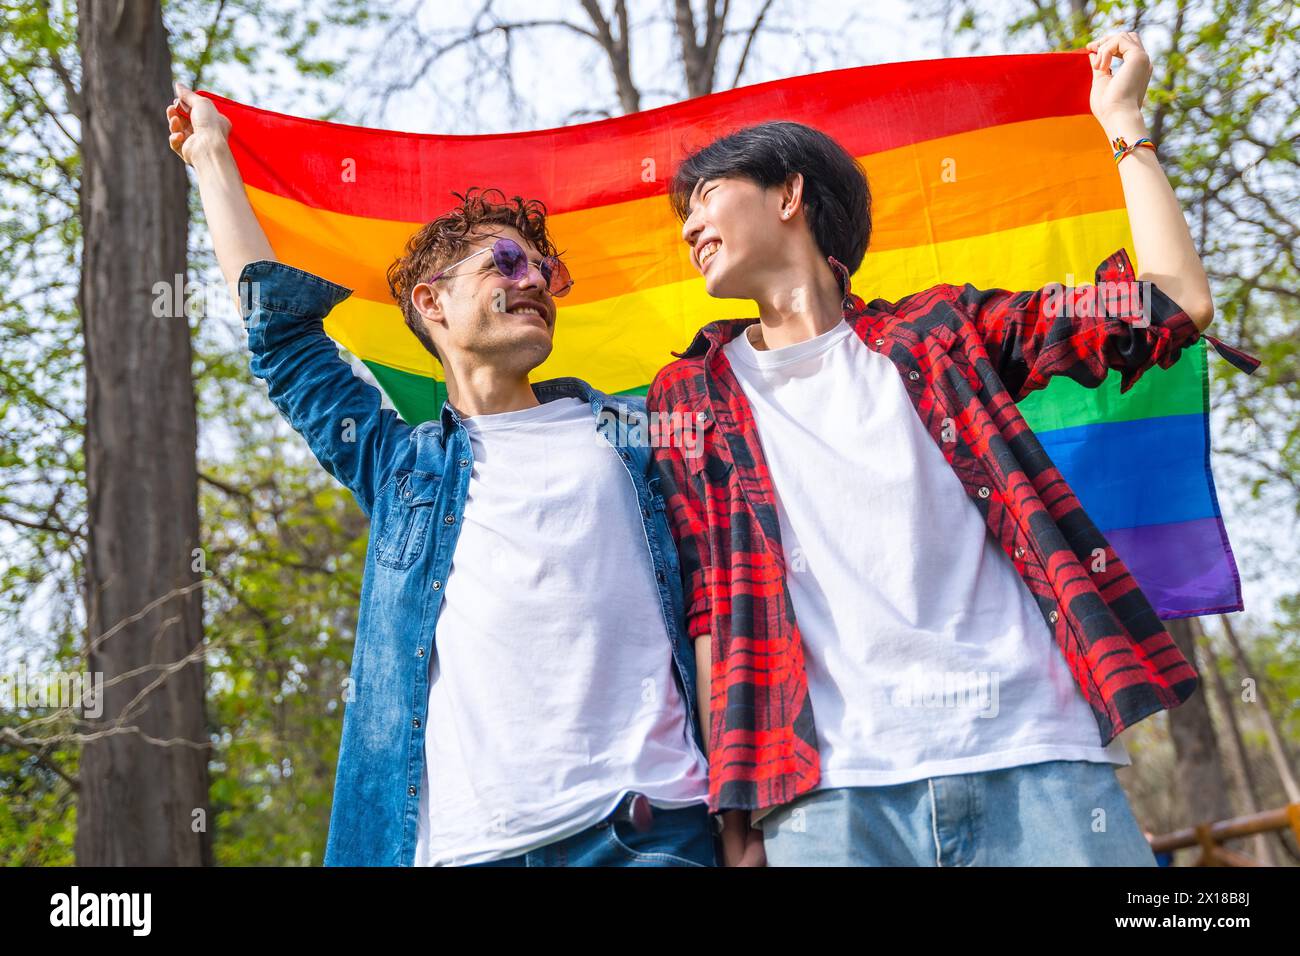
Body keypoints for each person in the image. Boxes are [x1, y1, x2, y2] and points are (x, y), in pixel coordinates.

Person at [646, 31, 1258, 866]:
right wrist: (736, 808)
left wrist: (1123, 123)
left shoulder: (939, 334)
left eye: (707, 196)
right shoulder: (692, 395)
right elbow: (714, 606)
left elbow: (1176, 303)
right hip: (828, 797)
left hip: (1035, 760)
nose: (688, 226)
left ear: (788, 194)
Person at [166, 82, 715, 867]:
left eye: (543, 271)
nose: (533, 280)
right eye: (505, 261)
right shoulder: (401, 469)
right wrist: (214, 157)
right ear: (433, 302)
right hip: (465, 851)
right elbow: (283, 344)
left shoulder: (645, 435)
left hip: (648, 836)